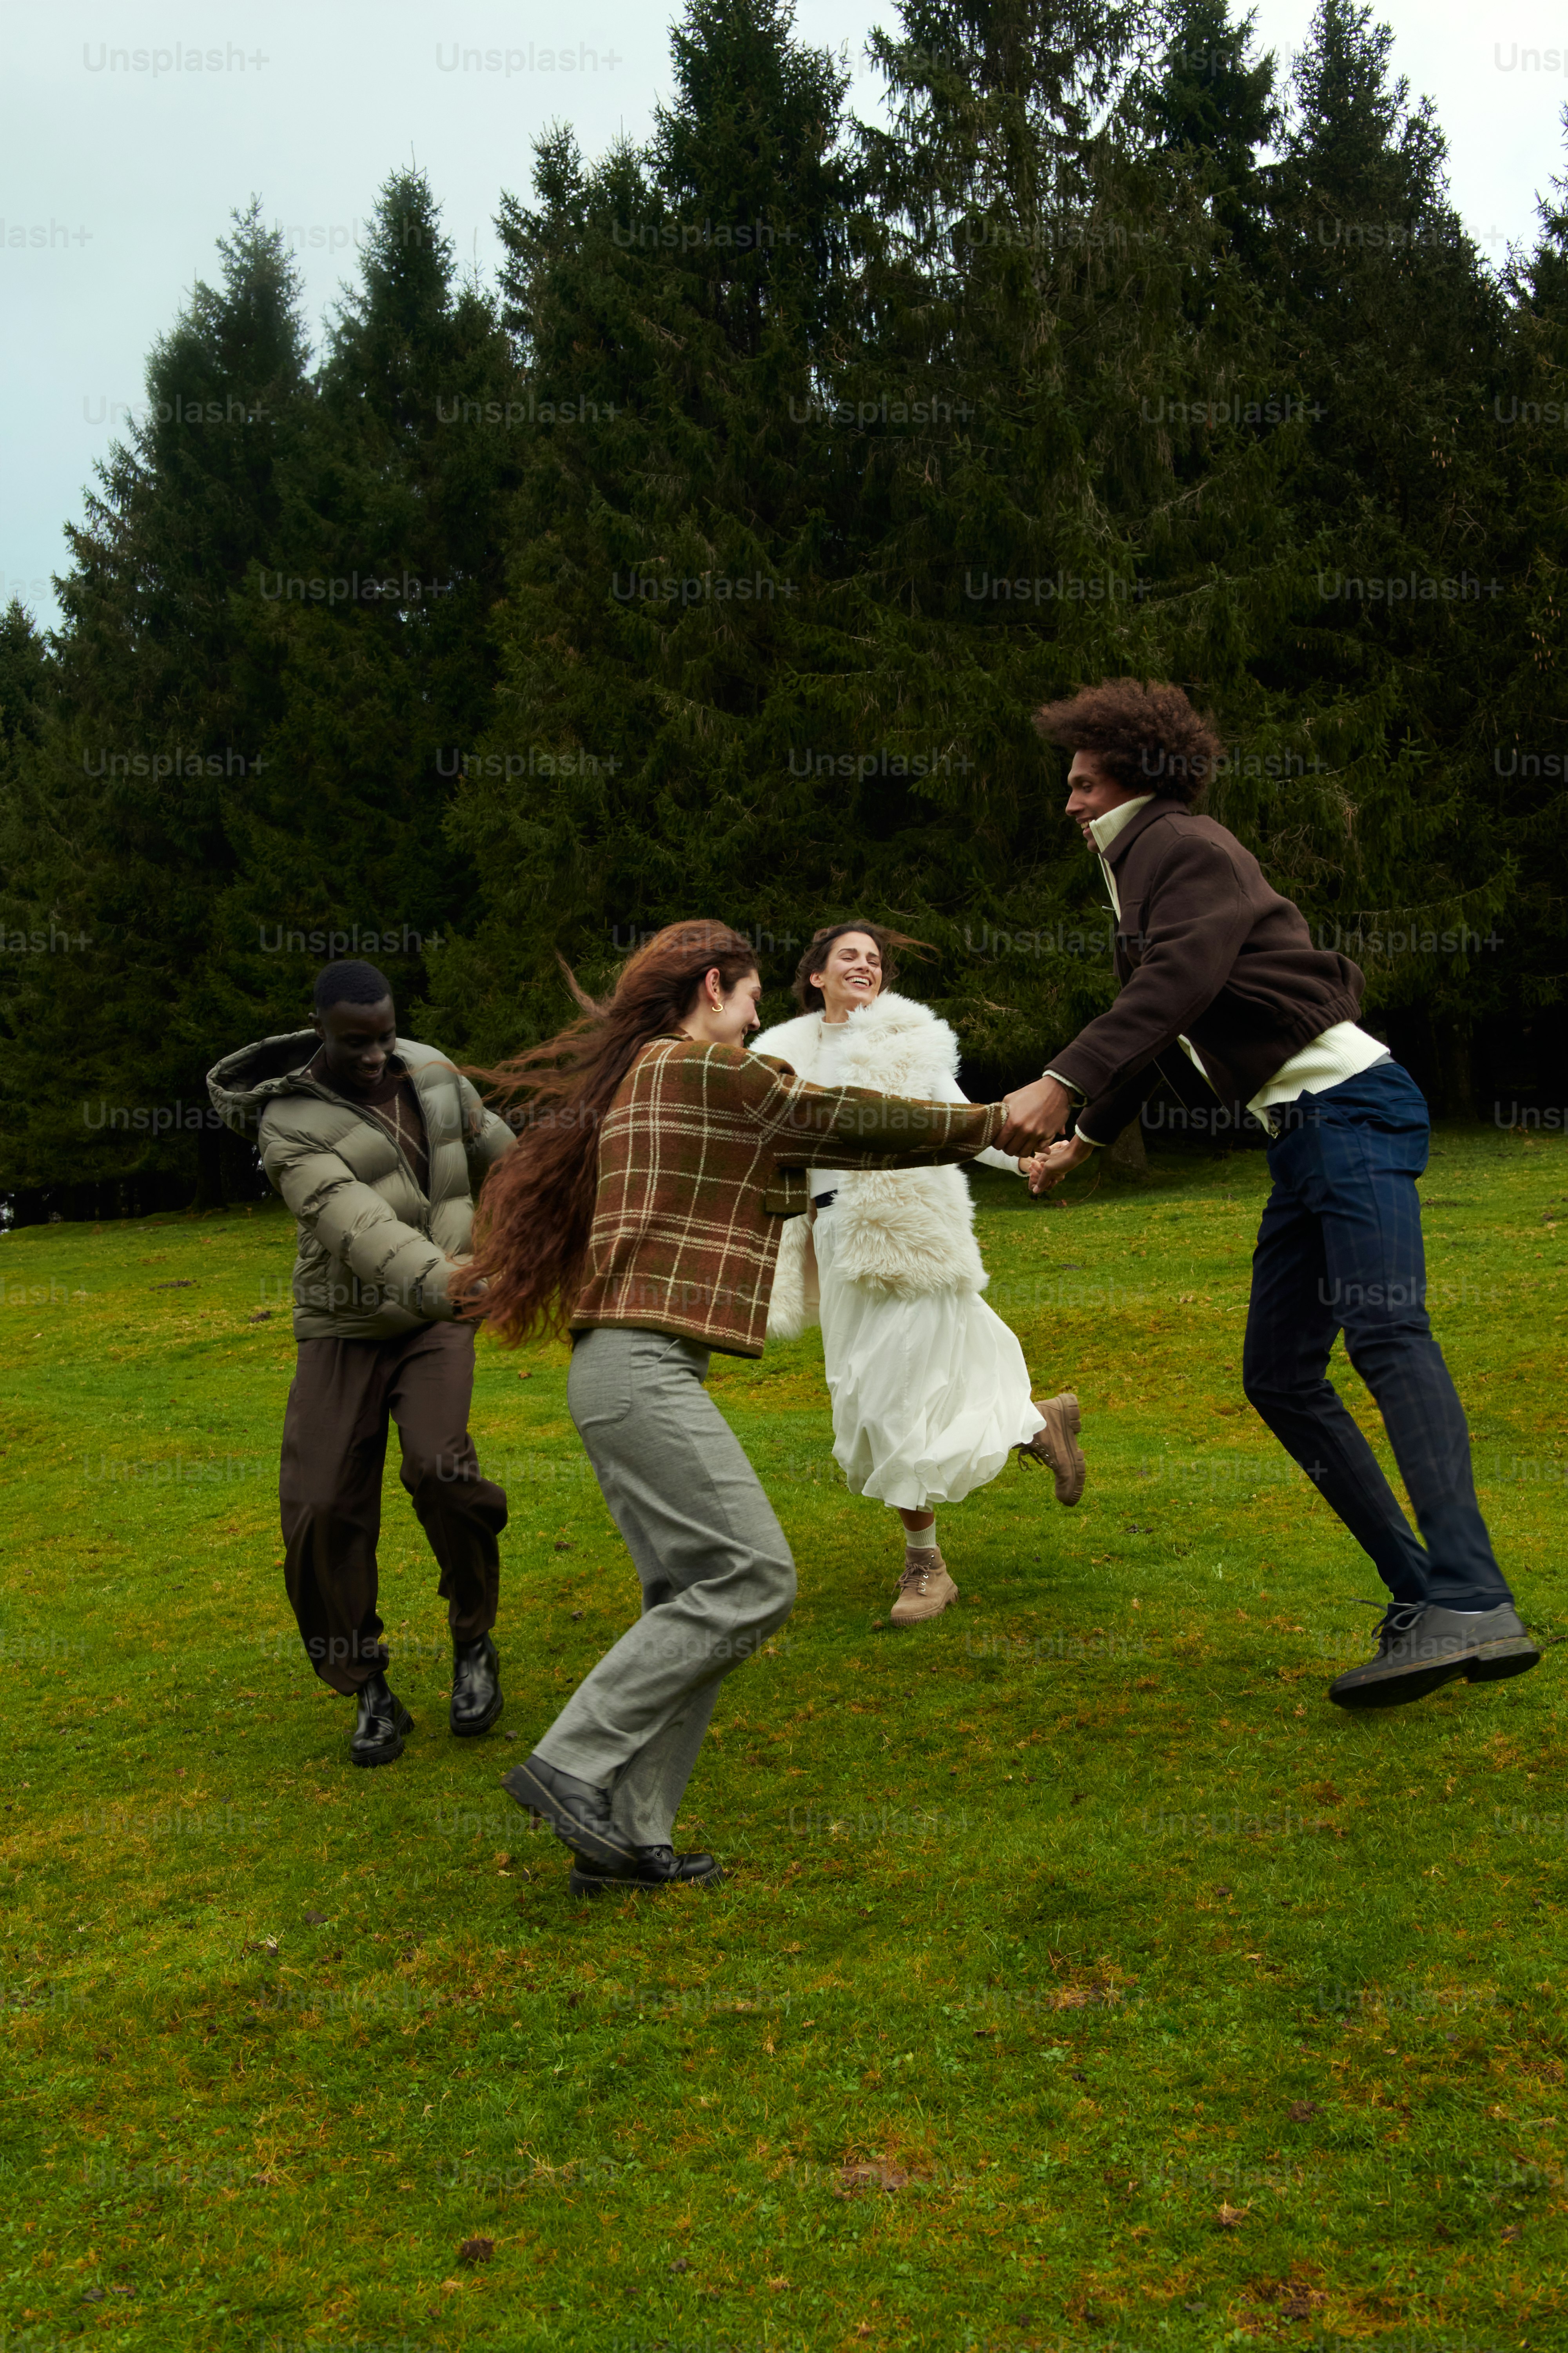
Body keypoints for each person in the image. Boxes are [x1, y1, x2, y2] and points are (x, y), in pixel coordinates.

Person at [458, 919, 1034, 1897]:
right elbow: (850, 1121)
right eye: (756, 1002)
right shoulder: (700, 1070)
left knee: (688, 1600)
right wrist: (995, 1123)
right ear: (715, 986)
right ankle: (571, 1763)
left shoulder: (649, 1078)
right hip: (641, 1374)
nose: (762, 1021)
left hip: (621, 1371)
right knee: (753, 1579)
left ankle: (632, 1835)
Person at [998, 679, 1539, 1711]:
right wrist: (1090, 1139)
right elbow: (1162, 1020)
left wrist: (1058, 1082)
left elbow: (1179, 986)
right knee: (1281, 1377)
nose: (1068, 803)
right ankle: (1427, 1594)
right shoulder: (1144, 866)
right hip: (1306, 1134)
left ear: (1132, 774)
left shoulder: (1179, 846)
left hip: (1350, 1109)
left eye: (1081, 782)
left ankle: (1472, 1594)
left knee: (1389, 1337)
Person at [208, 959, 515, 1765]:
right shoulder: (289, 1123)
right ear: (320, 1032)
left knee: (442, 1468)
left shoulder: (434, 1070)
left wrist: (544, 1211)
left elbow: (501, 1155)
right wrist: (451, 1281)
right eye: (356, 1042)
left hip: (437, 1319)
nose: (375, 1055)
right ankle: (367, 1686)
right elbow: (357, 1225)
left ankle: (474, 1641)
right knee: (318, 1508)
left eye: (383, 1036)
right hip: (347, 1323)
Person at [751, 922, 1085, 1626]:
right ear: (817, 974)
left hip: (909, 1230)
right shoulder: (779, 1053)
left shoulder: (910, 1043)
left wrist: (1023, 1158)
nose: (864, 966)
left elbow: (959, 1119)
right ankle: (1034, 1422)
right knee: (861, 1403)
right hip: (836, 1240)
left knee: (892, 1404)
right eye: (850, 956)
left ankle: (926, 1568)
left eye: (875, 959)